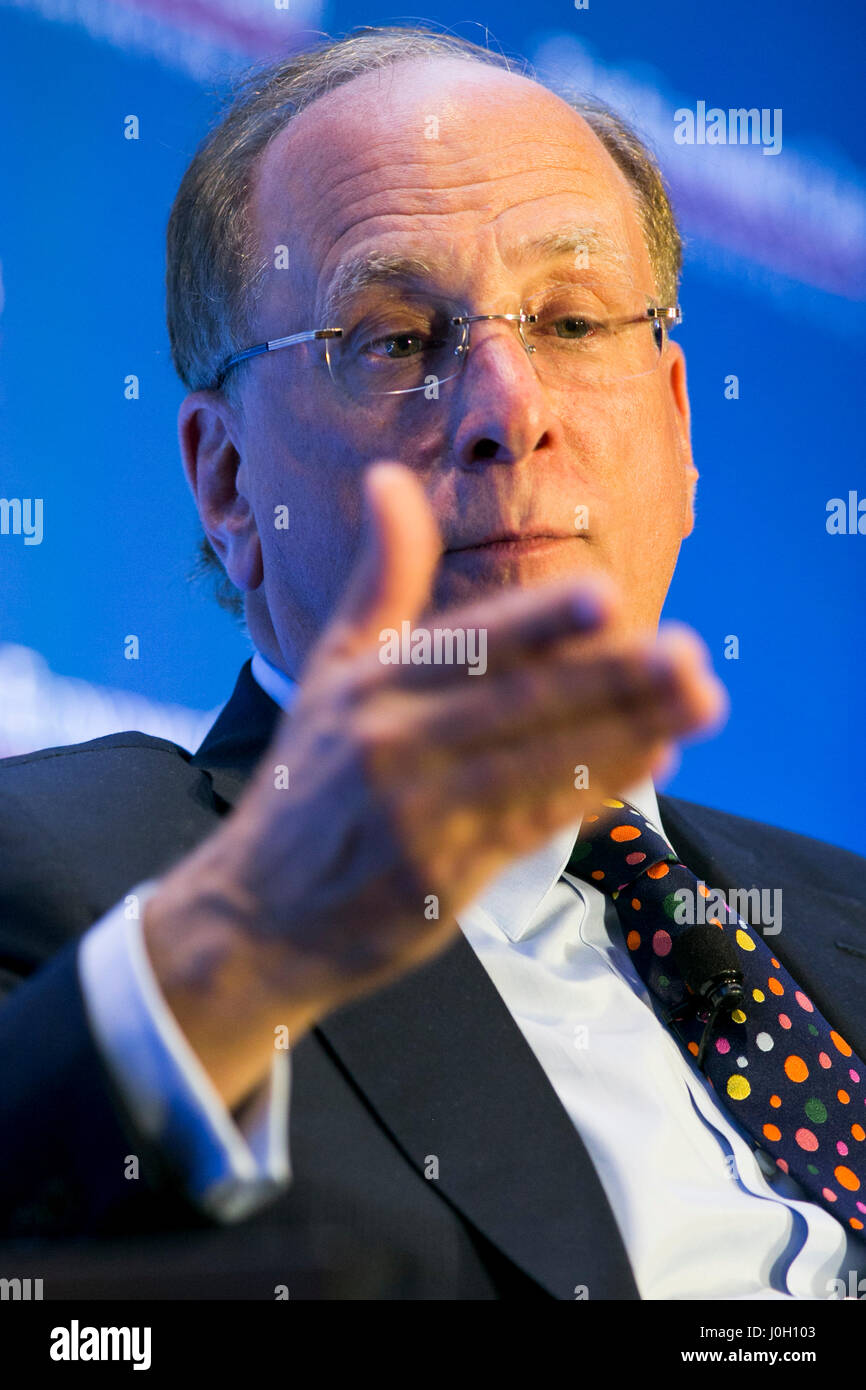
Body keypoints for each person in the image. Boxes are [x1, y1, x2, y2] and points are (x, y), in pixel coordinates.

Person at [2, 25, 865, 1301]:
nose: (509, 406)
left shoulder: (837, 906)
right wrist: (243, 944)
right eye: (395, 339)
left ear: (678, 428)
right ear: (227, 482)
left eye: (571, 320)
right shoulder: (69, 878)